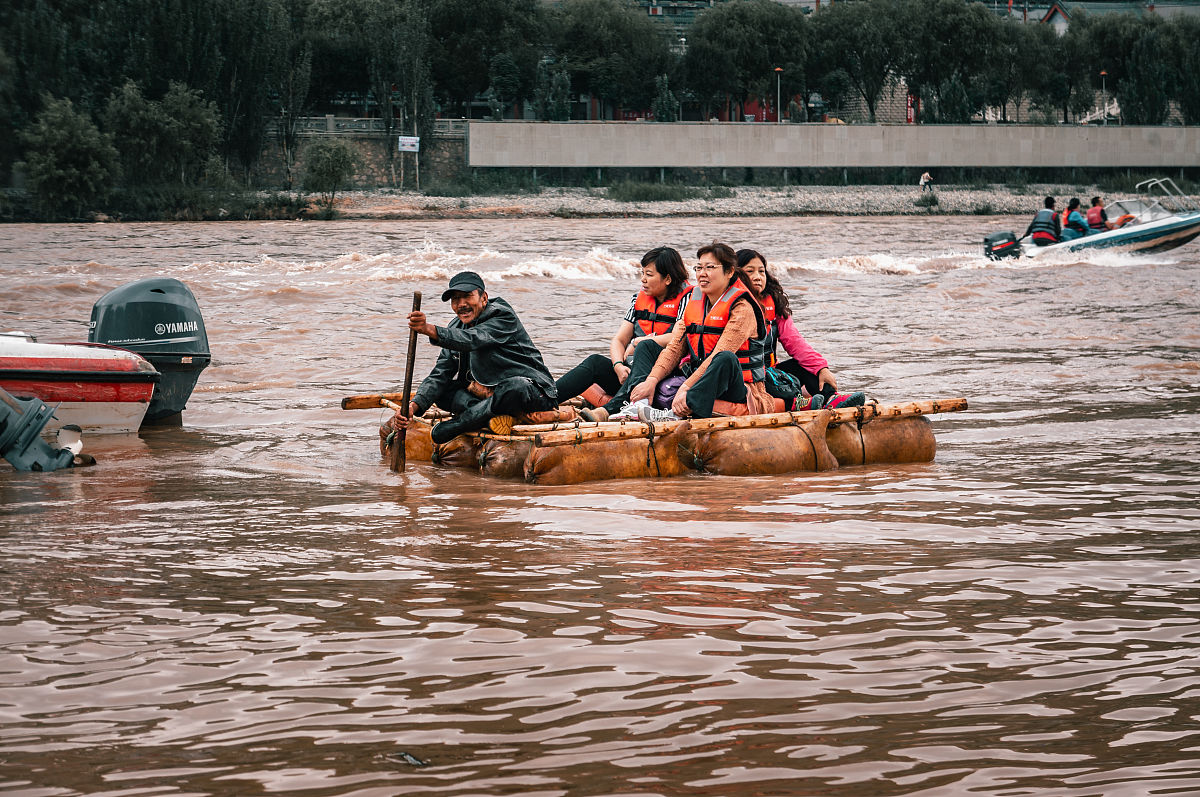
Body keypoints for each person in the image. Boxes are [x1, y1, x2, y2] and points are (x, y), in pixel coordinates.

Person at [387, 271, 557, 444]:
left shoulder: (503, 316)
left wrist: (429, 329)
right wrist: (413, 406)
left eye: (467, 296)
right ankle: (486, 415)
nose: (461, 304)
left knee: (515, 386)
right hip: (487, 397)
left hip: (532, 393)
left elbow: (472, 339)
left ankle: (461, 423)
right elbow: (440, 373)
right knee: (441, 391)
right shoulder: (455, 326)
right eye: (455, 299)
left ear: (484, 298)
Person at [621, 242, 775, 422]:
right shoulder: (694, 303)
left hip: (740, 387)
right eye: (699, 267)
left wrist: (686, 388)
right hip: (700, 379)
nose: (702, 273)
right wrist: (652, 380)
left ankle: (675, 415)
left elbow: (719, 353)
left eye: (710, 267)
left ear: (730, 272)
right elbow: (674, 348)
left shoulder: (743, 308)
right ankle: (634, 405)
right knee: (648, 345)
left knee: (725, 358)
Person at [555, 247, 690, 408]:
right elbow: (619, 340)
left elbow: (677, 338)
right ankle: (545, 399)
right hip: (630, 371)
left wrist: (637, 343)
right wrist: (618, 366)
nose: (643, 279)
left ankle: (610, 409)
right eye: (642, 273)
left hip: (661, 376)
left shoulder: (687, 299)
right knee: (595, 362)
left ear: (668, 279)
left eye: (649, 274)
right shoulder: (638, 300)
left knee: (645, 347)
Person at [737, 248, 864, 411]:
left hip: (771, 372)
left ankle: (831, 398)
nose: (757, 276)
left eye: (761, 271)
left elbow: (795, 342)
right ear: (736, 275)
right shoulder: (734, 305)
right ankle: (800, 402)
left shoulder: (774, 304)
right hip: (748, 378)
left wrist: (821, 369)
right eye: (750, 271)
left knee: (807, 365)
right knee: (768, 378)